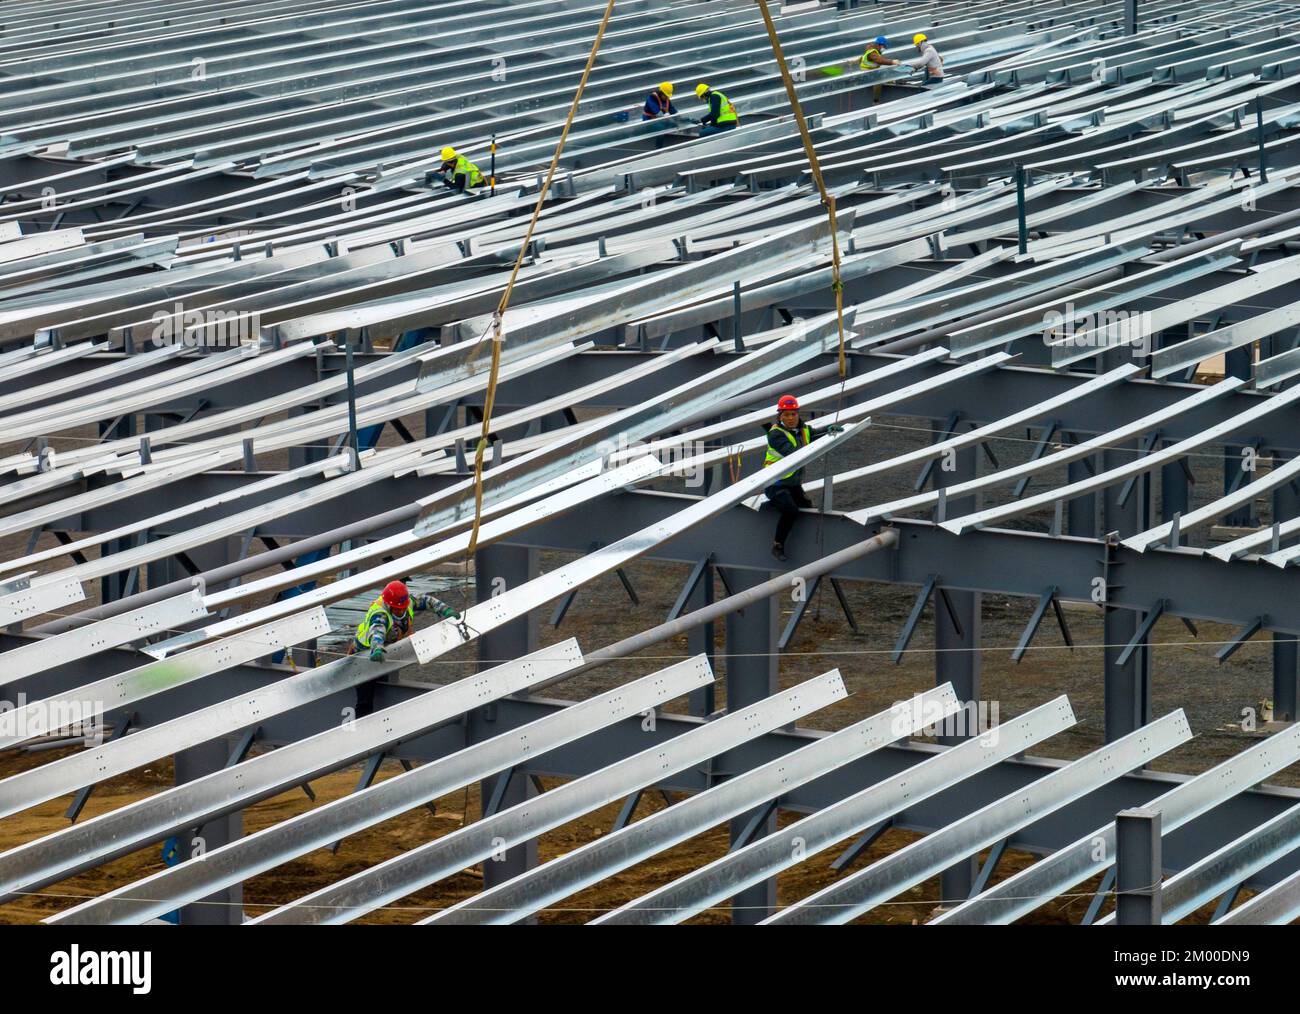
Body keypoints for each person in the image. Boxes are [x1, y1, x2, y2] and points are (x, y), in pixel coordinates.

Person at [349, 579, 461, 714]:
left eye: (401, 608)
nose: (399, 611)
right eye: (396, 609)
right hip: (363, 657)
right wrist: (377, 647)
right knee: (365, 699)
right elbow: (377, 631)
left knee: (382, 690)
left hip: (383, 653)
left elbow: (426, 600)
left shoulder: (406, 603)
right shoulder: (380, 613)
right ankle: (362, 728)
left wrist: (444, 609)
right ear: (389, 605)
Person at [762, 395, 842, 562]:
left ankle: (811, 545)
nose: (791, 418)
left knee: (807, 507)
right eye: (786, 415)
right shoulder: (776, 434)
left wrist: (829, 430)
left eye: (793, 414)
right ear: (780, 416)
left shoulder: (803, 429)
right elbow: (794, 453)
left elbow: (813, 434)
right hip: (775, 483)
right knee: (790, 510)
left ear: (798, 414)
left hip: (791, 483)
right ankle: (777, 545)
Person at [860, 35, 900, 104]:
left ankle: (894, 82)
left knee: (887, 76)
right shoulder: (872, 52)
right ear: (879, 45)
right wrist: (892, 62)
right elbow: (880, 61)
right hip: (867, 73)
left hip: (872, 71)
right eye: (884, 46)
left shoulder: (875, 51)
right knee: (878, 82)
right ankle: (876, 101)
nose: (884, 48)